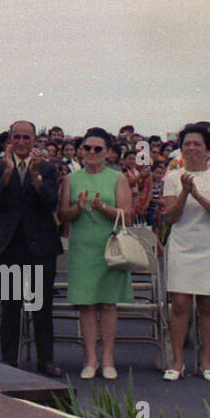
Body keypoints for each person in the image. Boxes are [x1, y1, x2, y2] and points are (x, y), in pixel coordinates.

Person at [0, 121, 63, 377]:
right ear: (10, 140)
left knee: (42, 305)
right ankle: (9, 359)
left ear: (34, 140)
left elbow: (52, 202)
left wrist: (35, 177)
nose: (21, 142)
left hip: (41, 244)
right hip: (10, 244)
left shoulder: (48, 168)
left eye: (26, 137)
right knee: (10, 305)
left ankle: (45, 359)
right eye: (16, 137)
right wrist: (8, 175)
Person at [58, 127, 133, 380]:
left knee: (108, 304)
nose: (91, 152)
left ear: (108, 152)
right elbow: (63, 216)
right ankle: (91, 358)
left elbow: (127, 216)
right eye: (87, 148)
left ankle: (108, 358)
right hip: (83, 248)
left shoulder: (117, 178)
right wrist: (78, 208)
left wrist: (103, 209)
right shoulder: (71, 179)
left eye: (97, 149)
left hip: (109, 247)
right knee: (87, 305)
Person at [161, 124, 210, 381]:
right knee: (179, 304)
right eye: (187, 144)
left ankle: (207, 361)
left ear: (208, 148)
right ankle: (177, 361)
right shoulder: (172, 177)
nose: (191, 148)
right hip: (182, 245)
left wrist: (198, 194)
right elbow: (171, 216)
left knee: (207, 305)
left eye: (197, 144)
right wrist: (183, 192)